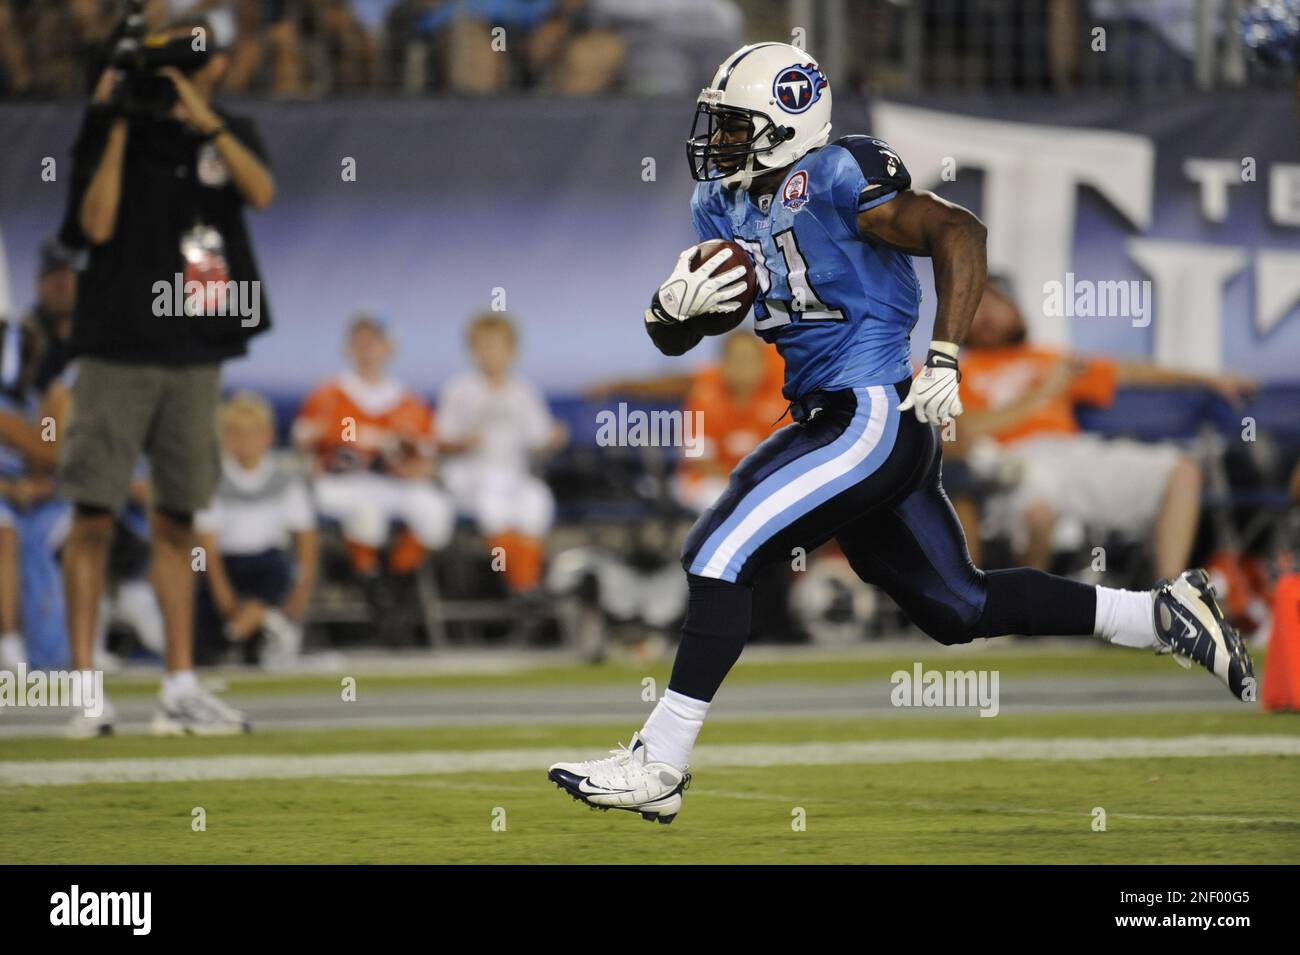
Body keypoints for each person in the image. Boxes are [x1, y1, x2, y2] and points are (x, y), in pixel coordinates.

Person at [548, 42, 1256, 825]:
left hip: (870, 412)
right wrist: (668, 313)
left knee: (719, 548)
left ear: (786, 126)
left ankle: (661, 762)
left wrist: (947, 354)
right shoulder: (722, 205)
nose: (718, 143)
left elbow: (960, 233)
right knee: (959, 607)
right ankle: (1159, 613)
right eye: (717, 125)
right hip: (835, 417)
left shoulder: (840, 172)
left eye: (736, 126)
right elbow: (679, 338)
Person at [56, 16, 274, 736]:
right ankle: (85, 690)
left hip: (194, 346)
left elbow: (261, 191)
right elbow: (91, 224)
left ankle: (179, 687)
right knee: (92, 514)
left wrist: (201, 120)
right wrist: (118, 118)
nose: (176, 77)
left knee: (179, 517)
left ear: (212, 71)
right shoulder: (110, 123)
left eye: (191, 64)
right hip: (117, 343)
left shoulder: (224, 125)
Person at [956, 278, 1255, 579]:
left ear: (1015, 310)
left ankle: (1168, 602)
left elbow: (1129, 372)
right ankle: (1022, 613)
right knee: (1037, 509)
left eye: (994, 303)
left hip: (1072, 452)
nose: (986, 315)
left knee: (1182, 472)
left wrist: (1208, 379)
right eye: (975, 307)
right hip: (1011, 463)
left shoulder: (1049, 358)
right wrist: (1040, 396)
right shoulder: (957, 370)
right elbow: (961, 429)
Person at [293, 315, 453, 592]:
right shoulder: (329, 393)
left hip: (392, 482)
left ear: (389, 348)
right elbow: (302, 436)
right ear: (348, 348)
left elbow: (427, 455)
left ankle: (399, 581)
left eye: (374, 342)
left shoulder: (409, 400)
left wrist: (413, 464)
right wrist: (351, 437)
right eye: (360, 342)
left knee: (433, 510)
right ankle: (368, 582)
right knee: (366, 514)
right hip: (342, 481)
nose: (367, 350)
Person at [438, 312, 565, 594]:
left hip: (513, 474)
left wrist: (554, 437)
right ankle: (516, 586)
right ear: (471, 350)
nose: (490, 353)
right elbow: (440, 439)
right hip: (470, 476)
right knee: (493, 504)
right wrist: (461, 443)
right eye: (482, 346)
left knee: (536, 501)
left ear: (512, 350)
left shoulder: (523, 391)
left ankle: (525, 585)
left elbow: (539, 436)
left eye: (496, 345)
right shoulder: (459, 389)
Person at [194, 391, 318, 668]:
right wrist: (219, 589)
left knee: (278, 568)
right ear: (223, 437)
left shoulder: (286, 479)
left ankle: (240, 631)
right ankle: (257, 627)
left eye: (252, 433)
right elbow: (204, 545)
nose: (245, 441)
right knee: (194, 565)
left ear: (268, 435)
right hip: (221, 564)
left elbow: (306, 539)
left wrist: (302, 587)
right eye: (235, 433)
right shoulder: (212, 479)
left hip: (267, 565)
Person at [675, 331, 786, 513]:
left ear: (763, 364)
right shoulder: (702, 398)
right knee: (720, 498)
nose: (743, 367)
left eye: (750, 359)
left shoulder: (780, 401)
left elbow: (786, 453)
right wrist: (742, 484)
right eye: (737, 359)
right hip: (708, 480)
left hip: (762, 481)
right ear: (723, 364)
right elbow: (701, 460)